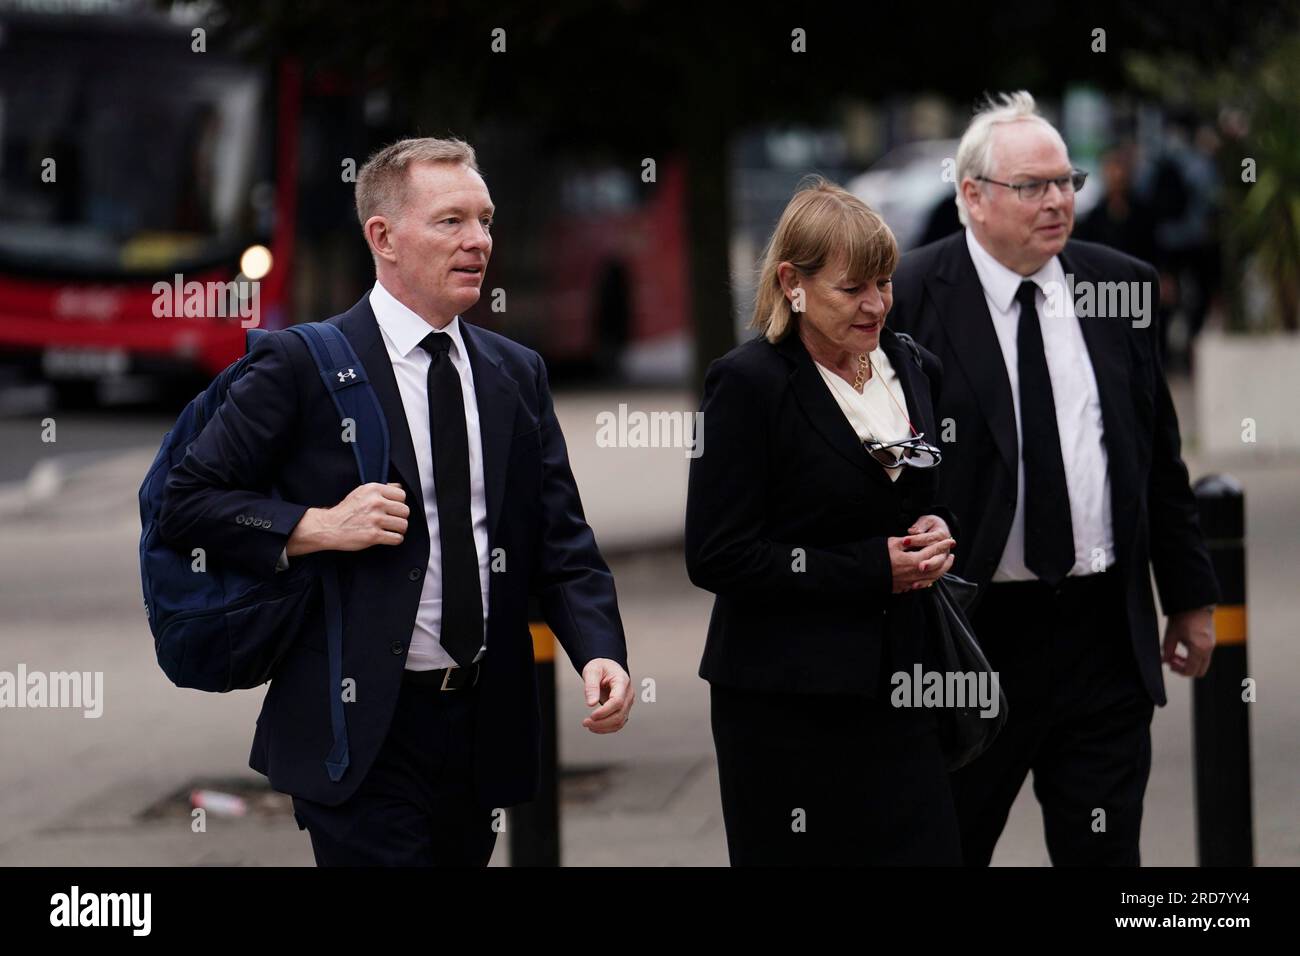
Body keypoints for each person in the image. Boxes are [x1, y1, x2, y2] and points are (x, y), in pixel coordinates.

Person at [158, 137, 633, 866]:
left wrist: (599, 650)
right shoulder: (302, 364)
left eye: (485, 220)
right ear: (383, 236)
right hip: (359, 733)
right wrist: (312, 526)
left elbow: (561, 541)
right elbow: (187, 501)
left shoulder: (516, 373)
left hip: (479, 725)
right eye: (451, 221)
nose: (478, 241)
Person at [889, 92, 1219, 866]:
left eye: (1066, 181)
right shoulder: (909, 295)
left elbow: (1158, 464)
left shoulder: (1120, 288)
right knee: (948, 847)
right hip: (971, 637)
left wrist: (1192, 599)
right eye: (1032, 186)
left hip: (1102, 634)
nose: (1058, 201)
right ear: (972, 196)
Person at [686, 177, 962, 865]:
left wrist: (936, 526)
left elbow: (924, 492)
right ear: (793, 282)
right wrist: (872, 568)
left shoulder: (911, 363)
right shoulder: (748, 384)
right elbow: (717, 554)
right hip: (786, 707)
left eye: (885, 283)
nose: (875, 305)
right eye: (853, 289)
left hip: (904, 686)